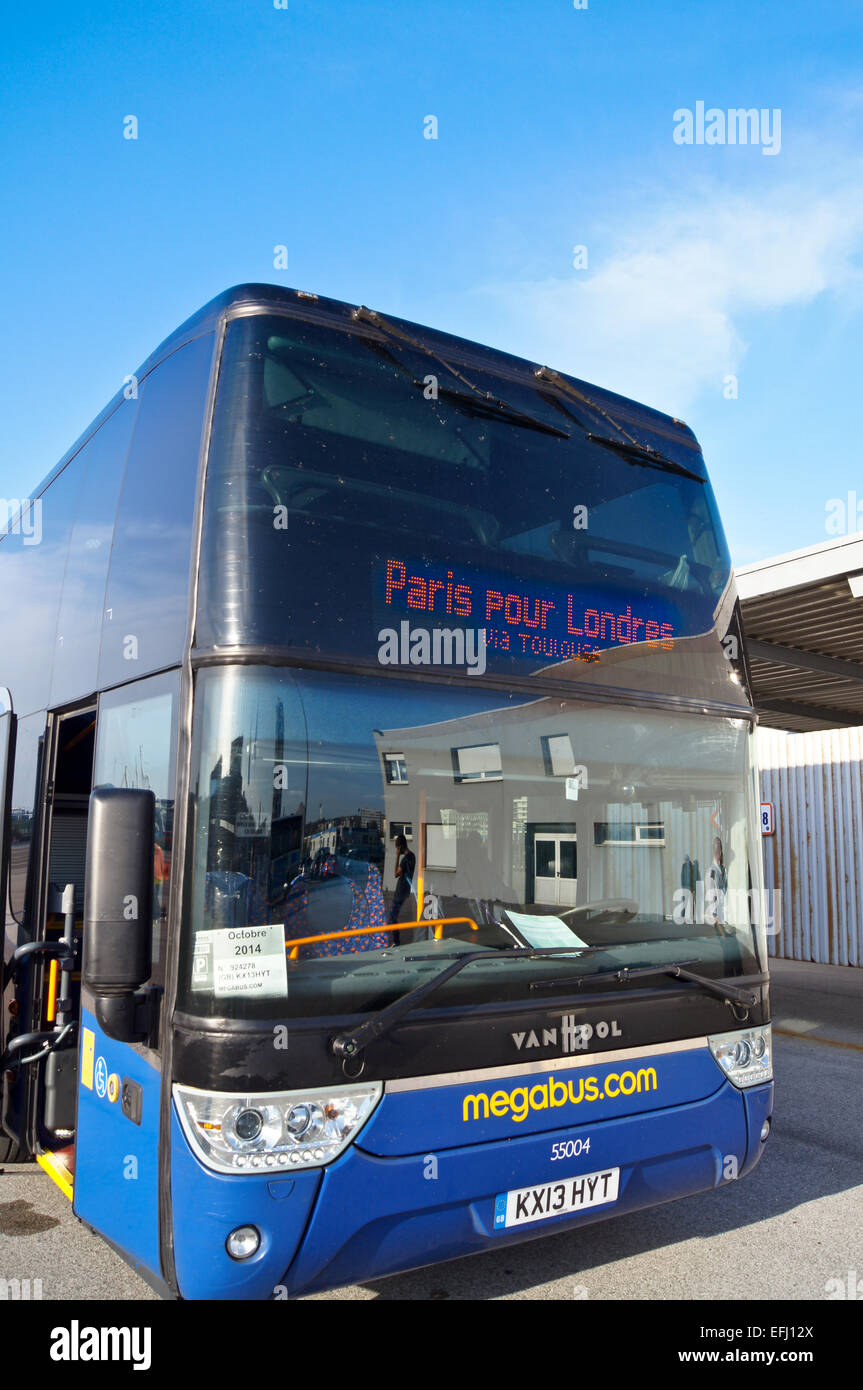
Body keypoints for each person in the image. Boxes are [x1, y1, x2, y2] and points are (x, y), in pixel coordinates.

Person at [388, 833, 416, 924]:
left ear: (400, 847)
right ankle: (395, 938)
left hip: (400, 891)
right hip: (406, 889)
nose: (396, 850)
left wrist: (397, 856)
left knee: (392, 917)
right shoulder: (413, 856)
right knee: (393, 917)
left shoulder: (404, 860)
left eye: (397, 848)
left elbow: (396, 874)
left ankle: (395, 938)